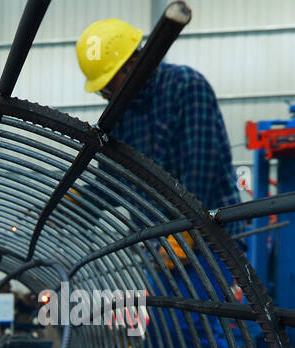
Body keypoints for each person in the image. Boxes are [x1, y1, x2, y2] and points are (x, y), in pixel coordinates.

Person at [77, 17, 239, 211]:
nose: (106, 96)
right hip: (156, 237)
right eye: (101, 89)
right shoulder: (119, 118)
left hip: (213, 234)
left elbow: (201, 169)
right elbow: (112, 185)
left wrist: (189, 230)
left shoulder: (185, 86)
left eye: (109, 85)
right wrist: (75, 201)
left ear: (133, 65)